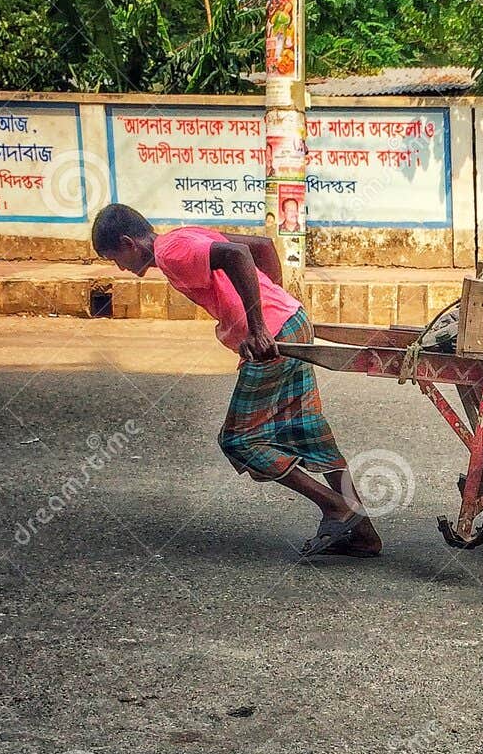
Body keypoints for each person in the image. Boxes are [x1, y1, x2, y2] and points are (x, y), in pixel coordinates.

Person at [90, 203, 380, 557]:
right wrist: (276, 299)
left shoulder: (172, 253)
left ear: (128, 243)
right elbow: (261, 246)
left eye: (115, 258)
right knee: (306, 427)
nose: (120, 267)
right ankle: (363, 533)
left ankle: (337, 507)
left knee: (238, 440)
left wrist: (259, 326)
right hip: (292, 321)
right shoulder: (181, 236)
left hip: (272, 338)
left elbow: (239, 254)